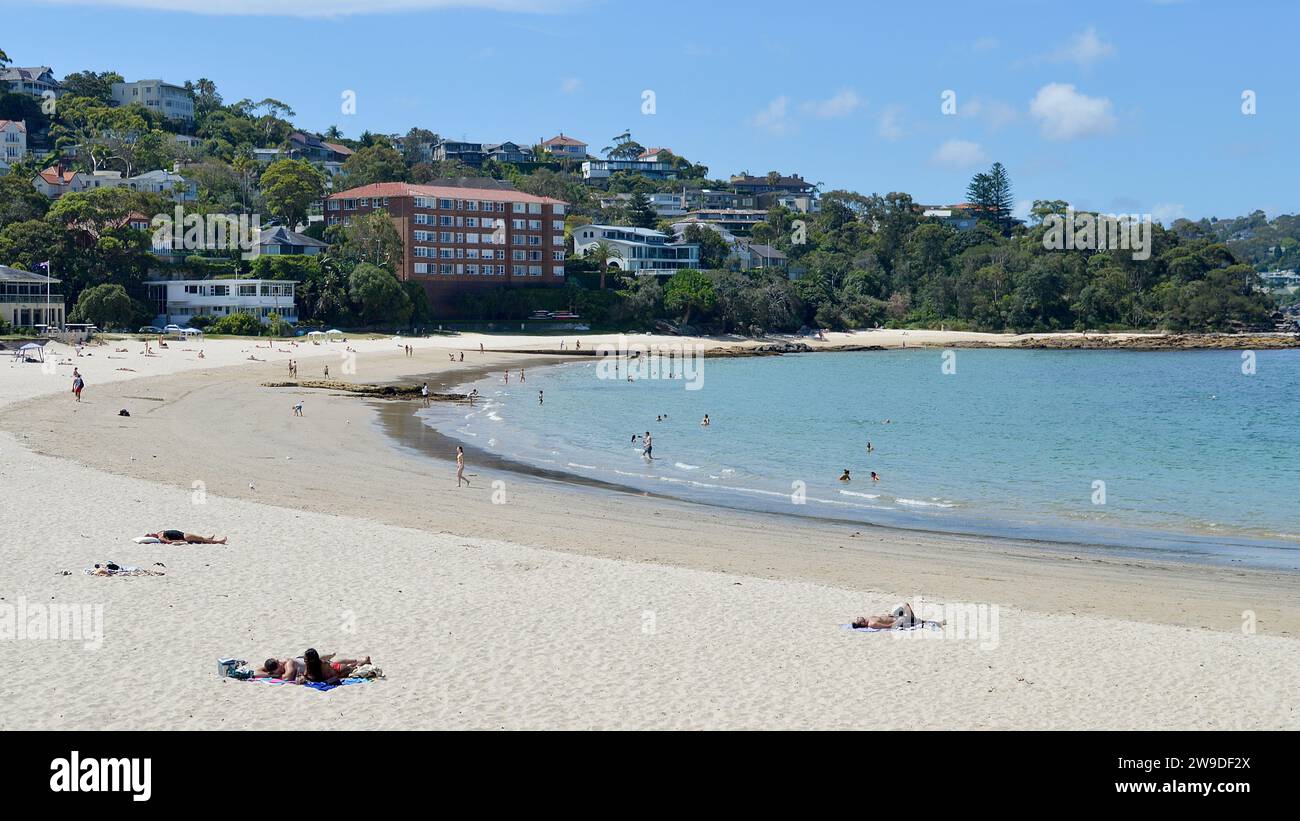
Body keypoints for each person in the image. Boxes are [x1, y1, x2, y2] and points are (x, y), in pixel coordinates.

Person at [300, 648, 372, 685]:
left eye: (305, 660)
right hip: (333, 666)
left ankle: (365, 661)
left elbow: (333, 675)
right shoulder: (309, 665)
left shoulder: (323, 665)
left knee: (354, 669)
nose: (304, 661)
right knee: (350, 666)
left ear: (312, 660)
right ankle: (360, 660)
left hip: (338, 670)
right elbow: (306, 675)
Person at [852, 602, 943, 631]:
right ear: (862, 623)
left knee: (904, 605)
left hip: (893, 616)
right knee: (907, 608)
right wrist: (899, 620)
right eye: (858, 619)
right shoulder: (872, 623)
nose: (858, 617)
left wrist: (888, 616)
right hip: (899, 621)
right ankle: (915, 621)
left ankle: (916, 620)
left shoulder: (869, 619)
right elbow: (889, 626)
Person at [145, 530, 228, 545]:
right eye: (149, 535)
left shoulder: (159, 533)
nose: (150, 533)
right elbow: (169, 542)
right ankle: (220, 542)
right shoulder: (160, 537)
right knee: (201, 539)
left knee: (200, 538)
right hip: (184, 536)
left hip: (183, 534)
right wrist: (181, 541)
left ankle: (209, 539)